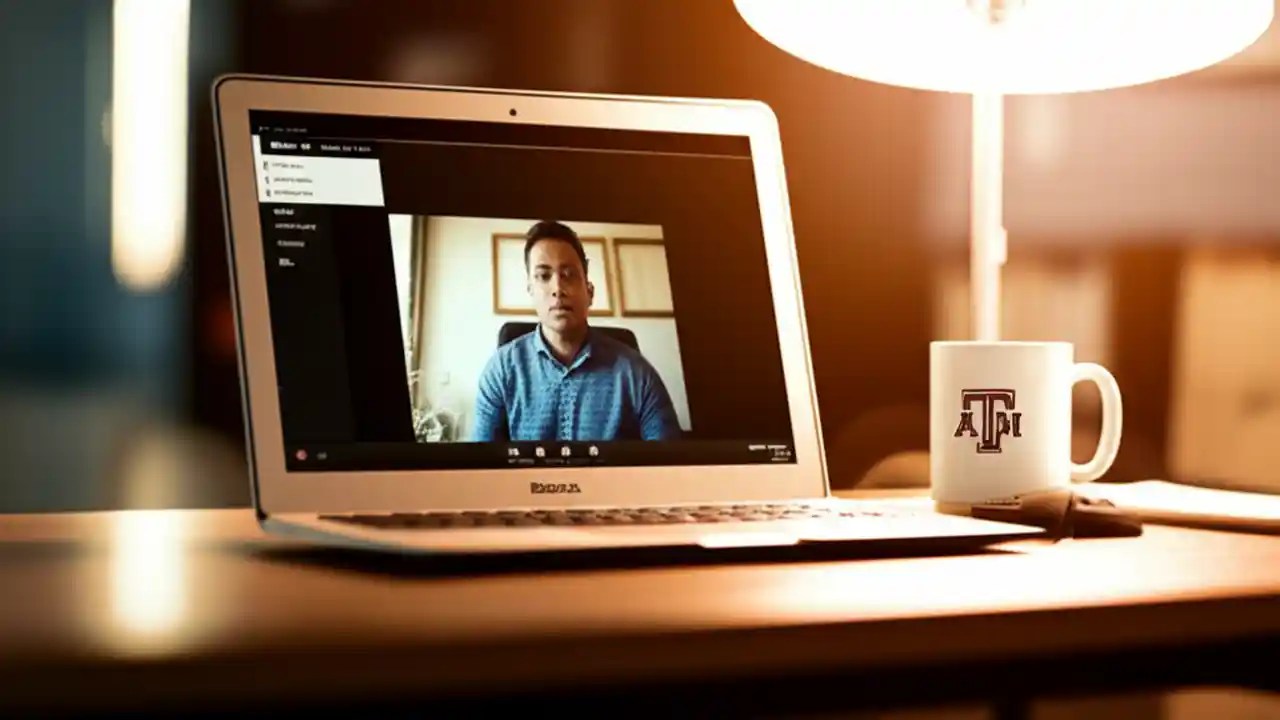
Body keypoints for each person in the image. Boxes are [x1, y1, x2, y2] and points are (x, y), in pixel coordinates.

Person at [471, 220, 682, 442]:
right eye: (543, 276)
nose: (558, 289)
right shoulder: (500, 371)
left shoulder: (637, 374)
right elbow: (480, 469)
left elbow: (669, 465)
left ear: (589, 292)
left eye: (569, 274)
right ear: (531, 291)